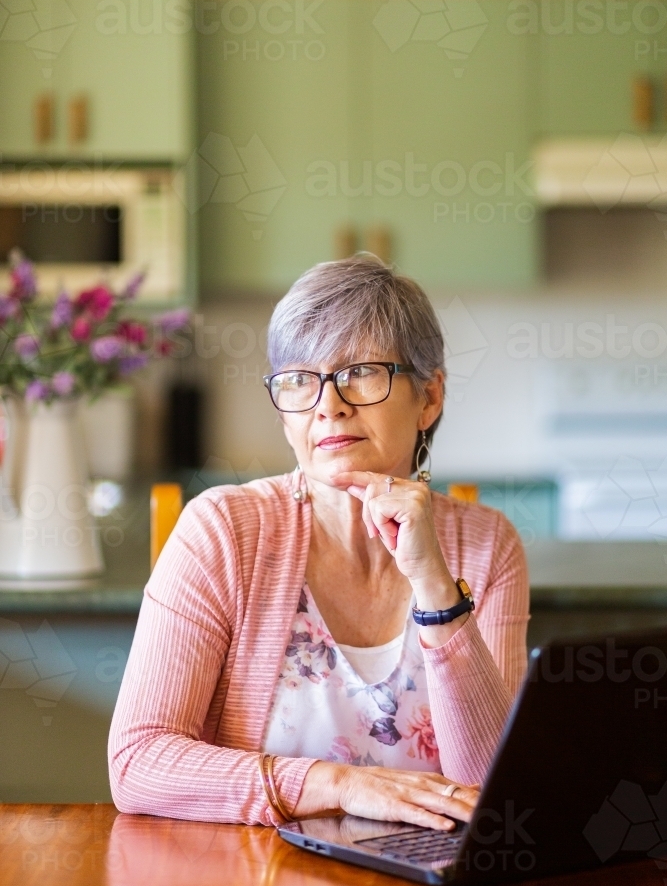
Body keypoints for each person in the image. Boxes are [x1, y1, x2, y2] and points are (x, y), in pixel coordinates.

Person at [109, 254, 529, 830]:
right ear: (285, 414)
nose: (329, 404)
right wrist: (341, 785)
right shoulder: (222, 532)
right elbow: (138, 763)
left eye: (361, 371)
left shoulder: (488, 547)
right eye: (301, 380)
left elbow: (492, 794)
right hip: (256, 884)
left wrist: (436, 589)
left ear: (429, 398)